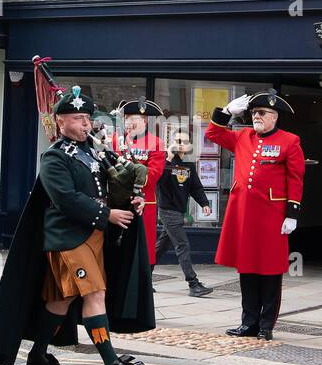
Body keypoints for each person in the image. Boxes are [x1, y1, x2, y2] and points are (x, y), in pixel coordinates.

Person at [0, 86, 153, 365]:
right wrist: (107, 214)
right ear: (60, 122)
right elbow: (66, 198)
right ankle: (112, 364)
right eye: (77, 118)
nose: (85, 124)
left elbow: (114, 186)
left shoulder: (95, 151)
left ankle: (37, 353)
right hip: (68, 236)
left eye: (87, 118)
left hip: (93, 234)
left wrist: (131, 199)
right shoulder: (54, 157)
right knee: (94, 292)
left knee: (61, 299)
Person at [207, 90, 304, 341]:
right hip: (243, 215)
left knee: (270, 272)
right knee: (247, 270)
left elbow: (295, 179)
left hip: (271, 216)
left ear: (274, 116)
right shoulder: (243, 136)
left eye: (261, 113)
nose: (256, 117)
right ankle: (248, 322)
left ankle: (266, 325)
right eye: (253, 113)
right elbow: (213, 133)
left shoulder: (289, 141)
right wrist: (226, 112)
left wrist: (292, 212)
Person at [155, 132, 214, 296]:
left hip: (179, 210)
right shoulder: (165, 162)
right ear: (171, 142)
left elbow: (196, 187)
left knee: (162, 245)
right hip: (167, 209)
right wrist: (168, 157)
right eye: (178, 141)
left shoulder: (188, 164)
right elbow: (159, 180)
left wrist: (204, 204)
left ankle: (143, 275)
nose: (182, 144)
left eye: (186, 141)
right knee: (182, 245)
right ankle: (193, 284)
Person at [111, 99, 166, 268]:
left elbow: (154, 174)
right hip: (118, 200)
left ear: (144, 121)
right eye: (127, 119)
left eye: (134, 119)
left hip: (144, 200)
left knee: (144, 245)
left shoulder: (156, 143)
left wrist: (130, 176)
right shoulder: (115, 140)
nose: (129, 123)